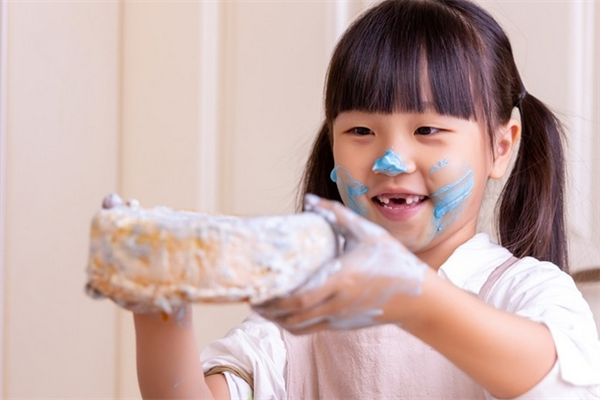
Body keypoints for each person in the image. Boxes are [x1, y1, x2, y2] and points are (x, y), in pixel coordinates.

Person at [127, 0, 600, 398]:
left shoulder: (523, 292)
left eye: (428, 129)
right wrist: (160, 308)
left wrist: (412, 295)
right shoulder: (305, 315)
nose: (391, 159)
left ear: (501, 145)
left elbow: (560, 378)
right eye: (360, 131)